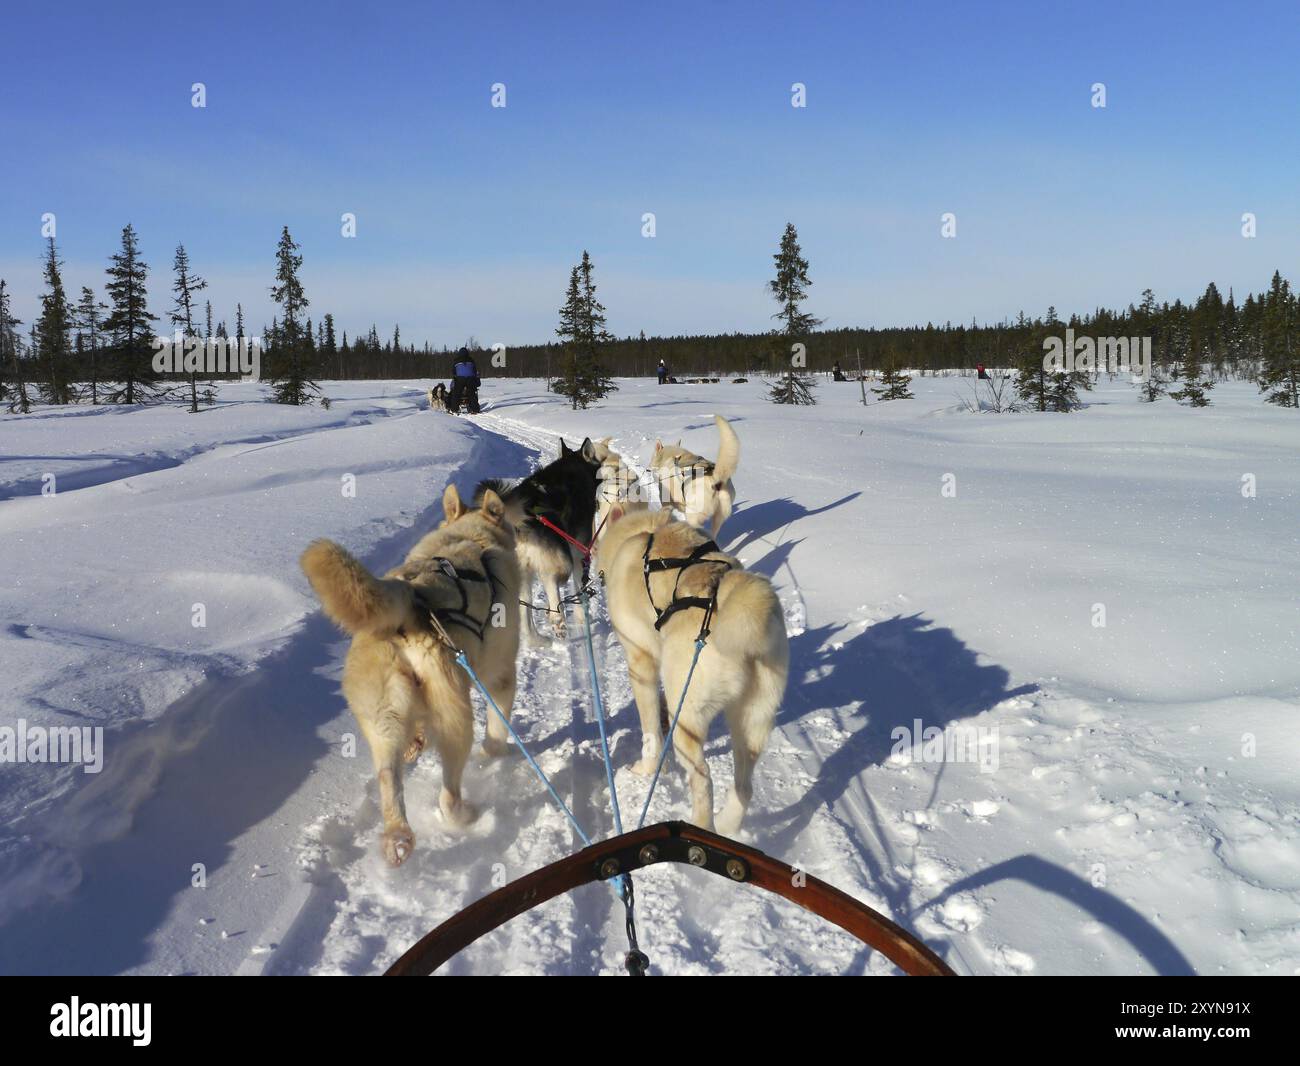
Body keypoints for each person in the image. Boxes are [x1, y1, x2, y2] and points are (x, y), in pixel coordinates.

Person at [449, 348, 481, 414]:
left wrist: (456, 376)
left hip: (460, 379)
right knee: (472, 394)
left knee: (456, 393)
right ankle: (475, 409)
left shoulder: (456, 361)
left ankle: (454, 409)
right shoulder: (471, 360)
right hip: (470, 378)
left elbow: (453, 372)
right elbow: (474, 370)